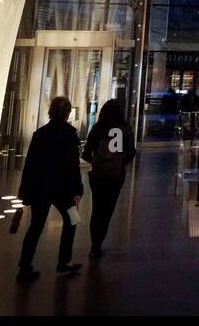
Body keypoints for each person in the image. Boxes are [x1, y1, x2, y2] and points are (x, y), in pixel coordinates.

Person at [17, 96, 84, 282]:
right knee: (72, 219)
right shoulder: (69, 134)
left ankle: (24, 267)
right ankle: (64, 260)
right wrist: (78, 187)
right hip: (63, 189)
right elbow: (73, 165)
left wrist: (24, 190)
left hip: (40, 187)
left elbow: (30, 164)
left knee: (36, 226)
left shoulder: (40, 134)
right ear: (67, 113)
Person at [81, 97, 136, 259]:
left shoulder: (98, 129)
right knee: (107, 209)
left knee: (97, 208)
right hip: (115, 175)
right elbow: (131, 152)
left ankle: (95, 244)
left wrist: (97, 162)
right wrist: (119, 163)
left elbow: (86, 153)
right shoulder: (124, 129)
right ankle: (99, 240)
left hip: (98, 175)